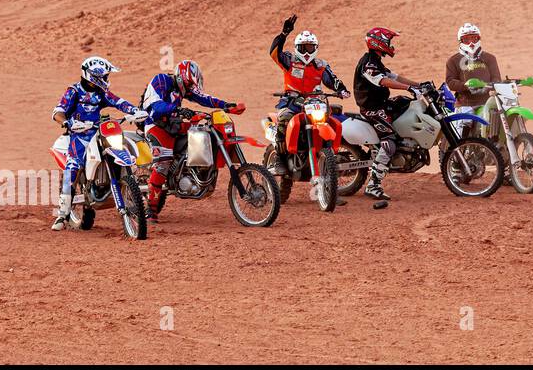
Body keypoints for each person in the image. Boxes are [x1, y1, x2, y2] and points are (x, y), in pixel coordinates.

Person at [141, 59, 245, 221]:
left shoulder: (185, 89)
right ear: (182, 78)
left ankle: (195, 172)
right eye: (189, 85)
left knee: (202, 133)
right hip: (156, 126)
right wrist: (179, 109)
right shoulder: (161, 80)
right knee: (163, 163)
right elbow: (156, 106)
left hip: (174, 125)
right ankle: (151, 210)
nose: (190, 89)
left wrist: (227, 106)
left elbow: (205, 98)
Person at [51, 56, 146, 230]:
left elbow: (119, 102)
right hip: (80, 135)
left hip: (99, 132)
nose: (106, 80)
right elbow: (58, 111)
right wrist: (67, 122)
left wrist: (135, 111)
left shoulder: (101, 93)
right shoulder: (74, 91)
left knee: (121, 145)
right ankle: (62, 214)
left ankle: (128, 186)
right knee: (72, 167)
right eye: (104, 77)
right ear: (92, 76)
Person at [269, 14, 348, 200]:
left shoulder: (321, 65)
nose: (307, 51)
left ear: (316, 48)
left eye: (310, 47)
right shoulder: (289, 60)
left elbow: (332, 80)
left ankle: (329, 177)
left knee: (333, 119)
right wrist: (283, 33)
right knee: (284, 119)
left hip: (314, 103)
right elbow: (274, 53)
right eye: (303, 47)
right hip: (291, 102)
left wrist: (341, 90)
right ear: (297, 48)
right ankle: (280, 159)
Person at [353, 27, 423, 202]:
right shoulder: (368, 63)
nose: (391, 45)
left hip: (381, 104)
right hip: (371, 108)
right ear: (379, 42)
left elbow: (394, 76)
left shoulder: (376, 61)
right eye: (388, 41)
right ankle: (373, 184)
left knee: (406, 103)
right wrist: (409, 88)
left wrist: (420, 85)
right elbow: (383, 80)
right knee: (389, 142)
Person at [444, 22, 504, 128]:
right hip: (465, 104)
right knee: (464, 128)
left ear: (478, 38)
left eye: (474, 38)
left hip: (487, 102)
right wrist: (466, 85)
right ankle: (462, 144)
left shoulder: (490, 58)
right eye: (467, 39)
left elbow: (496, 78)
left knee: (499, 123)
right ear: (461, 41)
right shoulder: (453, 60)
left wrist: (492, 85)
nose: (471, 42)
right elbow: (450, 82)